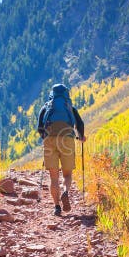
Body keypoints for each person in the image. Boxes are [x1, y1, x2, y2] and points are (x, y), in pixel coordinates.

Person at [37, 84, 86, 216]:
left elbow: (39, 127)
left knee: (53, 177)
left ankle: (57, 207)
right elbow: (79, 124)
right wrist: (81, 137)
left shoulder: (46, 107)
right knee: (67, 174)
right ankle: (66, 191)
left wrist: (46, 138)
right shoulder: (70, 107)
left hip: (50, 140)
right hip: (67, 139)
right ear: (66, 94)